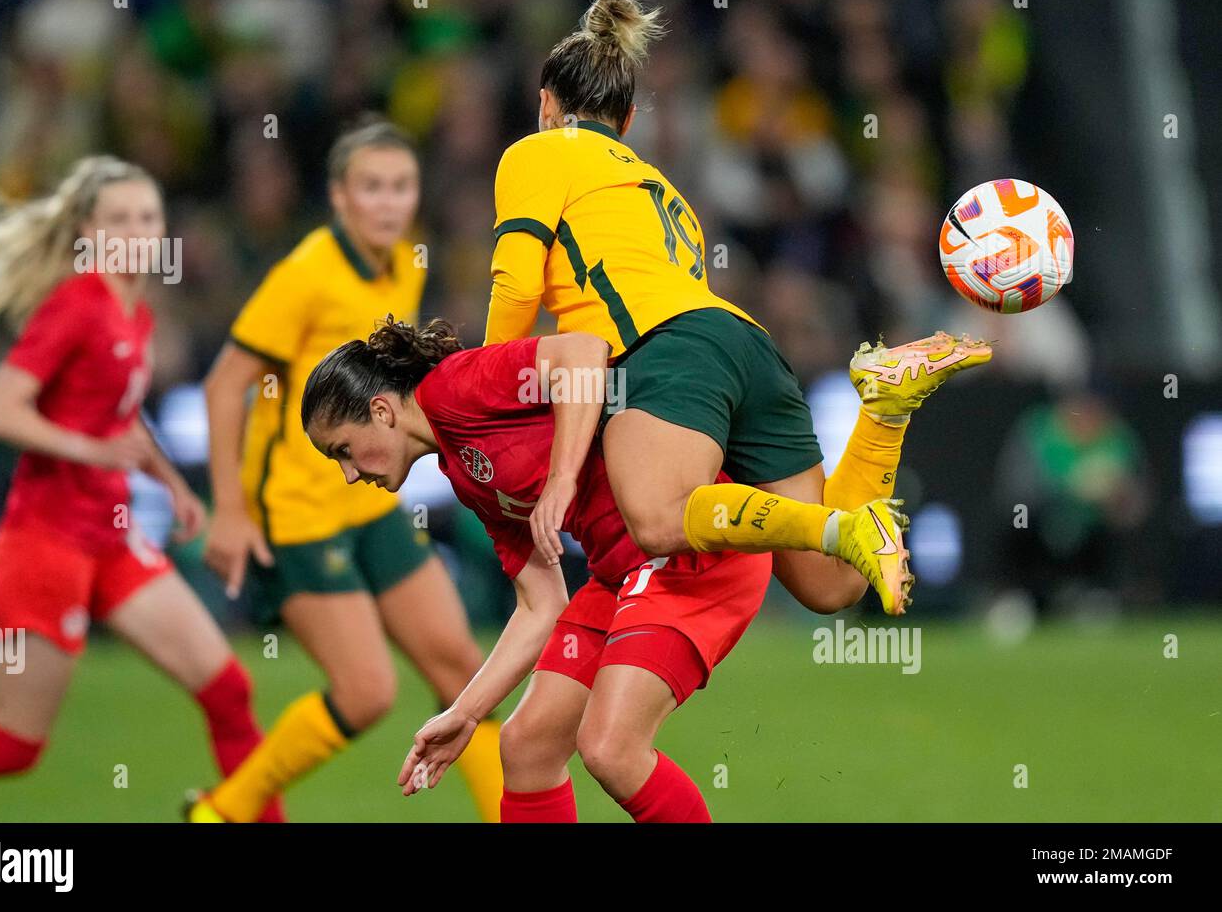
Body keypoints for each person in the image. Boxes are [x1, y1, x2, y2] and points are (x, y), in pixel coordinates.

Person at [299, 318, 979, 822]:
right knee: (528, 745)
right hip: (622, 573)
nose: (349, 471)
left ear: (381, 410)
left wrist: (564, 475)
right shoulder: (460, 468)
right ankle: (886, 409)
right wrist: (464, 712)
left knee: (610, 747)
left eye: (344, 450)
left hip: (686, 556)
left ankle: (877, 438)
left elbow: (582, 351)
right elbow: (540, 605)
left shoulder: (457, 389)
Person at [483, 0, 993, 615]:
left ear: (545, 104)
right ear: (628, 123)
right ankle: (884, 412)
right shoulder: (664, 191)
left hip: (663, 353)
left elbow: (515, 284)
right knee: (829, 586)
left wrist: (491, 390)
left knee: (659, 516)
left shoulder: (538, 150)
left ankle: (844, 528)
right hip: (743, 343)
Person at [0, 156, 280, 820]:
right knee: (12, 747)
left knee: (228, 689)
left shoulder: (132, 310)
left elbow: (116, 416)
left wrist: (171, 483)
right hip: (46, 543)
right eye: (119, 219)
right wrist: (93, 450)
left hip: (110, 538)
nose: (138, 231)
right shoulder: (77, 306)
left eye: (148, 218)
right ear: (88, 230)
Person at [192, 119, 503, 822]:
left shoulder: (406, 263)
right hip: (299, 510)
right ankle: (223, 812)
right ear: (339, 197)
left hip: (368, 502)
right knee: (367, 692)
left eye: (401, 186)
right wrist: (231, 511)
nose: (388, 203)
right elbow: (222, 385)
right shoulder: (304, 275)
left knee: (460, 666)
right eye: (371, 187)